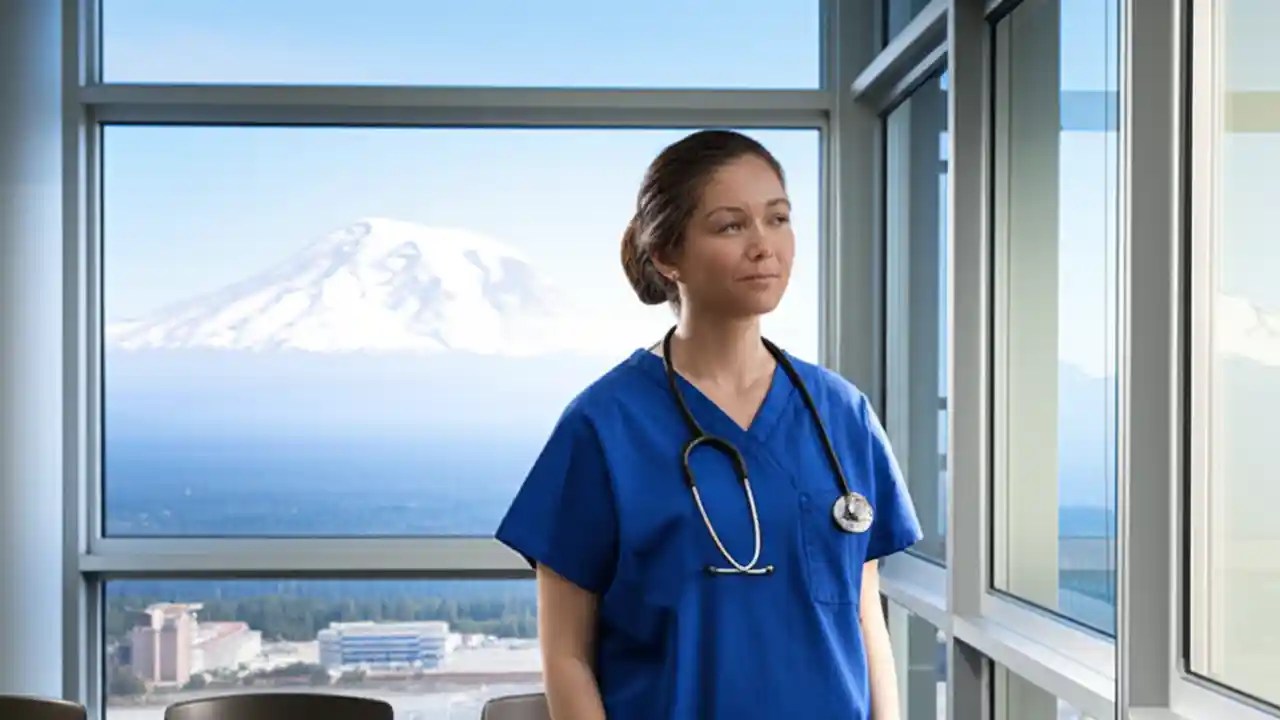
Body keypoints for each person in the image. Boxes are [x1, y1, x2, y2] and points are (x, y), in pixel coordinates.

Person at [495, 129, 922, 719]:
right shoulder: (603, 426)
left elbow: (863, 613)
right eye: (730, 225)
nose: (763, 246)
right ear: (667, 256)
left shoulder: (841, 413)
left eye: (778, 219)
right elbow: (566, 656)